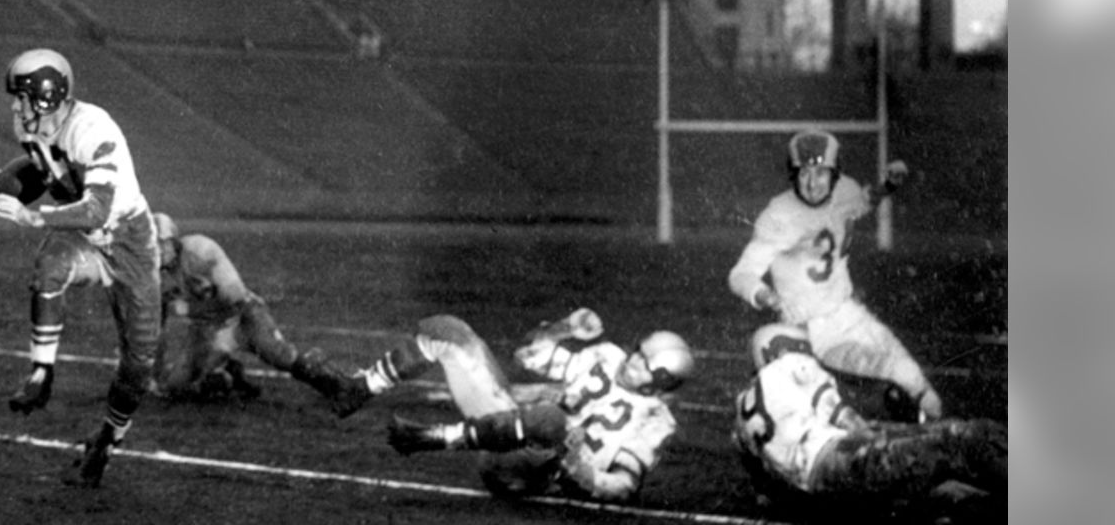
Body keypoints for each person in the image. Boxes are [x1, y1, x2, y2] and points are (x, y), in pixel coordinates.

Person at [0, 48, 162, 488]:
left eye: (23, 98)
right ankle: (41, 372)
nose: (15, 106)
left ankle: (106, 439)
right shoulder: (35, 127)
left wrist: (35, 215)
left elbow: (98, 208)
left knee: (139, 366)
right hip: (83, 233)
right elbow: (47, 169)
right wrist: (10, 185)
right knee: (49, 264)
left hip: (126, 240)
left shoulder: (93, 129)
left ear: (47, 97)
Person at [324, 308, 692, 502]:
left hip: (537, 473)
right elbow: (528, 355)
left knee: (550, 419)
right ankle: (357, 388)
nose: (633, 361)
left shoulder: (656, 421)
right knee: (448, 331)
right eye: (639, 352)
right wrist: (563, 328)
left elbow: (623, 487)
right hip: (512, 430)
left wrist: (577, 466)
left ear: (662, 382)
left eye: (646, 364)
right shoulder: (607, 356)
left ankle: (435, 437)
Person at [728, 129, 943, 422]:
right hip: (812, 329)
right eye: (803, 172)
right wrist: (765, 295)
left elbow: (862, 202)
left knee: (918, 384)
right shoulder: (779, 215)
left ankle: (936, 432)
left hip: (848, 312)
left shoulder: (845, 191)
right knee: (885, 378)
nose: (812, 182)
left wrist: (887, 186)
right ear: (793, 175)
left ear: (835, 174)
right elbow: (741, 273)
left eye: (820, 173)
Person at [733, 324, 1006, 522]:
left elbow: (766, 495)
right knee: (962, 437)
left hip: (820, 495)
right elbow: (850, 423)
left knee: (941, 493)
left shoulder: (742, 410)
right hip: (839, 465)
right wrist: (907, 431)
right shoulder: (789, 367)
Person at [149, 212, 365, 405]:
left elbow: (236, 296)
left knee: (283, 356)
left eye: (161, 244)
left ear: (173, 239)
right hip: (206, 328)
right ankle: (229, 375)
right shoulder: (155, 274)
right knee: (174, 387)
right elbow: (157, 324)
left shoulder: (200, 252)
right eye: (153, 246)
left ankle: (340, 386)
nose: (157, 251)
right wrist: (155, 368)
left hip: (242, 316)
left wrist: (222, 335)